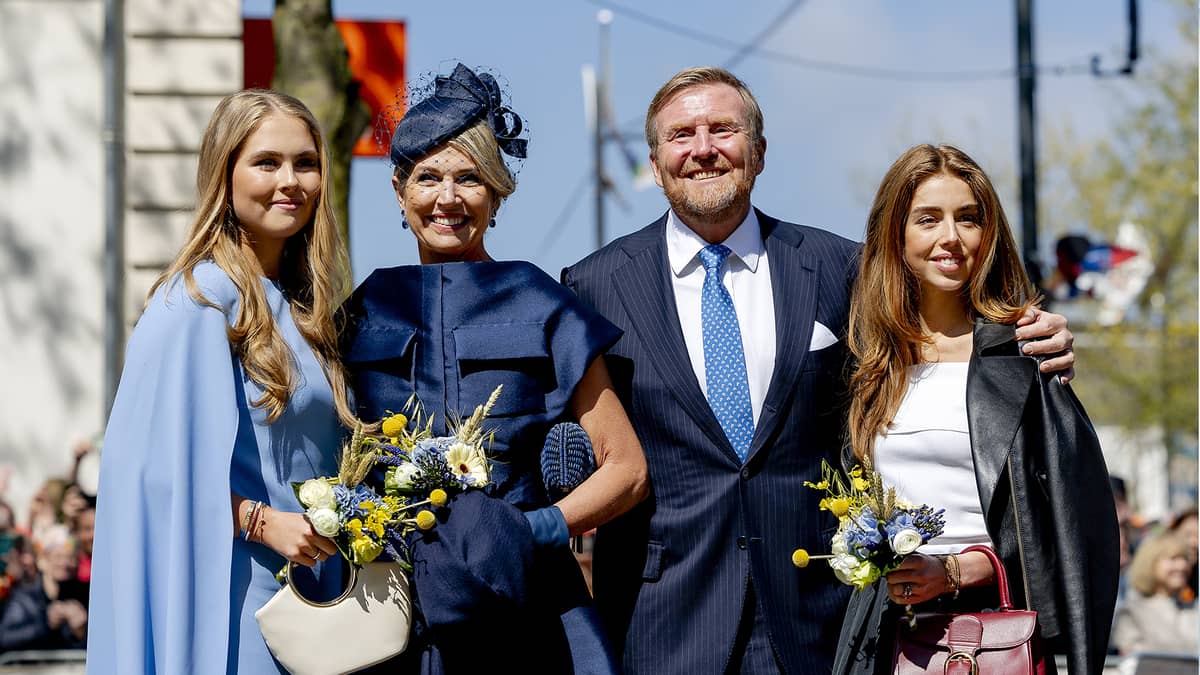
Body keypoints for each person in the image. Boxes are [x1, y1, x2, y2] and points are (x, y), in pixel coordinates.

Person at [562, 68, 1077, 674]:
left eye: (723, 130)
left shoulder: (841, 270)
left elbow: (943, 334)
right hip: (661, 622)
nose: (703, 148)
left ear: (757, 154)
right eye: (682, 135)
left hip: (819, 623)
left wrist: (1030, 336)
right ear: (654, 162)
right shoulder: (592, 286)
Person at [340, 63, 648, 674]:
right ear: (400, 192)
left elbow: (628, 469)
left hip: (528, 607)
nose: (447, 198)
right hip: (389, 609)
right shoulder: (363, 309)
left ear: (497, 193)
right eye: (427, 178)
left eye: (469, 179)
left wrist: (534, 533)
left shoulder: (539, 301)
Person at [87, 90, 353, 674]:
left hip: (323, 599)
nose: (290, 181)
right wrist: (261, 521)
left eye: (305, 163)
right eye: (267, 162)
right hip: (236, 602)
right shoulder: (198, 302)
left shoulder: (309, 313)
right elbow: (150, 477)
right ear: (224, 173)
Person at [834, 144, 1119, 675]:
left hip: (996, 635)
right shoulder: (867, 365)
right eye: (928, 219)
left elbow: (1076, 532)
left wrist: (960, 570)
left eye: (968, 218)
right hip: (885, 641)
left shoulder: (1023, 357)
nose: (952, 237)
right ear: (895, 235)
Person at [0, 525, 88, 653]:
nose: (65, 563)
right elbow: (4, 639)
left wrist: (81, 632)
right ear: (42, 561)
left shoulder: (83, 594)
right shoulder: (24, 598)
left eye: (71, 557)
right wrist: (46, 623)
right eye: (58, 557)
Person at [1111, 532, 1198, 655]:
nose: (1182, 566)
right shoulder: (1131, 612)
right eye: (1173, 559)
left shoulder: (1194, 609)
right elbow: (1133, 658)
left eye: (1184, 559)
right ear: (1151, 563)